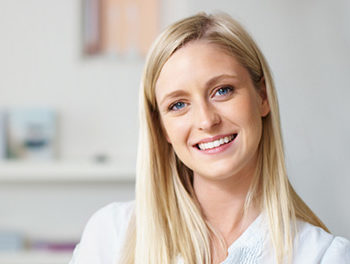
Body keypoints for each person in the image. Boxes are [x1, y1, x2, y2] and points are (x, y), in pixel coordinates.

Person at [69, 13, 350, 264]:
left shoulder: (324, 256)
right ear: (162, 128)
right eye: (178, 105)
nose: (206, 120)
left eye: (223, 90)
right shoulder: (112, 235)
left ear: (262, 96)